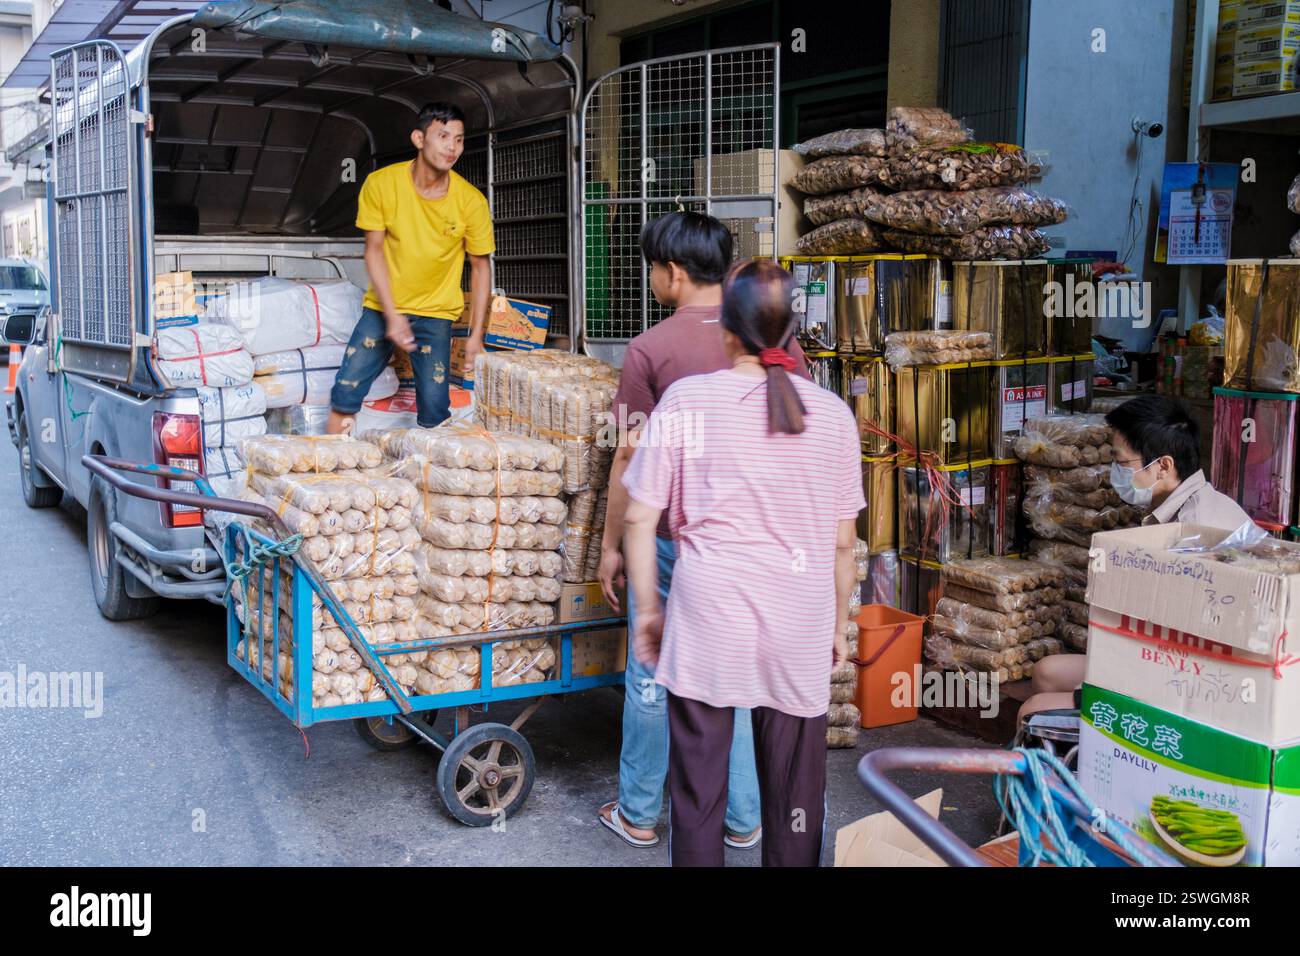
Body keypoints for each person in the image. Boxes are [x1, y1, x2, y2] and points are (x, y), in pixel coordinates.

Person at [621, 259, 863, 867]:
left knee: (698, 792)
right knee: (795, 797)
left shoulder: (686, 401)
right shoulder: (832, 415)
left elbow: (638, 519)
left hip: (707, 617)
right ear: (791, 333)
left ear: (726, 331)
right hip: (797, 622)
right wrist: (837, 625)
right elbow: (842, 544)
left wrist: (650, 611)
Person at [595, 211, 810, 850]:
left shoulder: (653, 348)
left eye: (652, 269)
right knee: (737, 680)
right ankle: (745, 819)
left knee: (651, 671)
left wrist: (608, 547)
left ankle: (638, 813)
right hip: (756, 543)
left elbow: (629, 458)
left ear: (674, 272)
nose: (653, 279)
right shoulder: (780, 346)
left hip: (671, 538)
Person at [1033, 394, 1255, 696]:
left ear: (1163, 465)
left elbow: (1193, 633)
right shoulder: (1178, 508)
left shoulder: (1195, 530)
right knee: (1047, 673)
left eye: (1123, 462)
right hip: (1167, 655)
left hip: (1201, 676)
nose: (1115, 471)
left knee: (1034, 710)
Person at [327, 102, 493, 434]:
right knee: (346, 390)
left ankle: (431, 480)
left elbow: (481, 267)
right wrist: (392, 315)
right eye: (443, 136)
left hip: (436, 315)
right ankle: (328, 474)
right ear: (419, 138)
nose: (452, 147)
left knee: (435, 408)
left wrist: (476, 336)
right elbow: (373, 251)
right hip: (382, 308)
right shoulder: (382, 184)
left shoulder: (471, 201)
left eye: (458, 139)